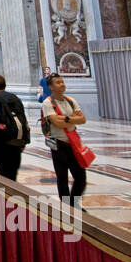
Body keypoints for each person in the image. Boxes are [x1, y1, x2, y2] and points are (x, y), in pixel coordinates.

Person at [41, 73, 88, 207]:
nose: (62, 84)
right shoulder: (48, 103)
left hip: (73, 143)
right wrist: (72, 119)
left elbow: (83, 119)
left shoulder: (70, 101)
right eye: (58, 82)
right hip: (58, 144)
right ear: (51, 86)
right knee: (62, 177)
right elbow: (57, 122)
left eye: (62, 82)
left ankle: (73, 203)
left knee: (80, 176)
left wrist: (67, 119)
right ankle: (67, 206)